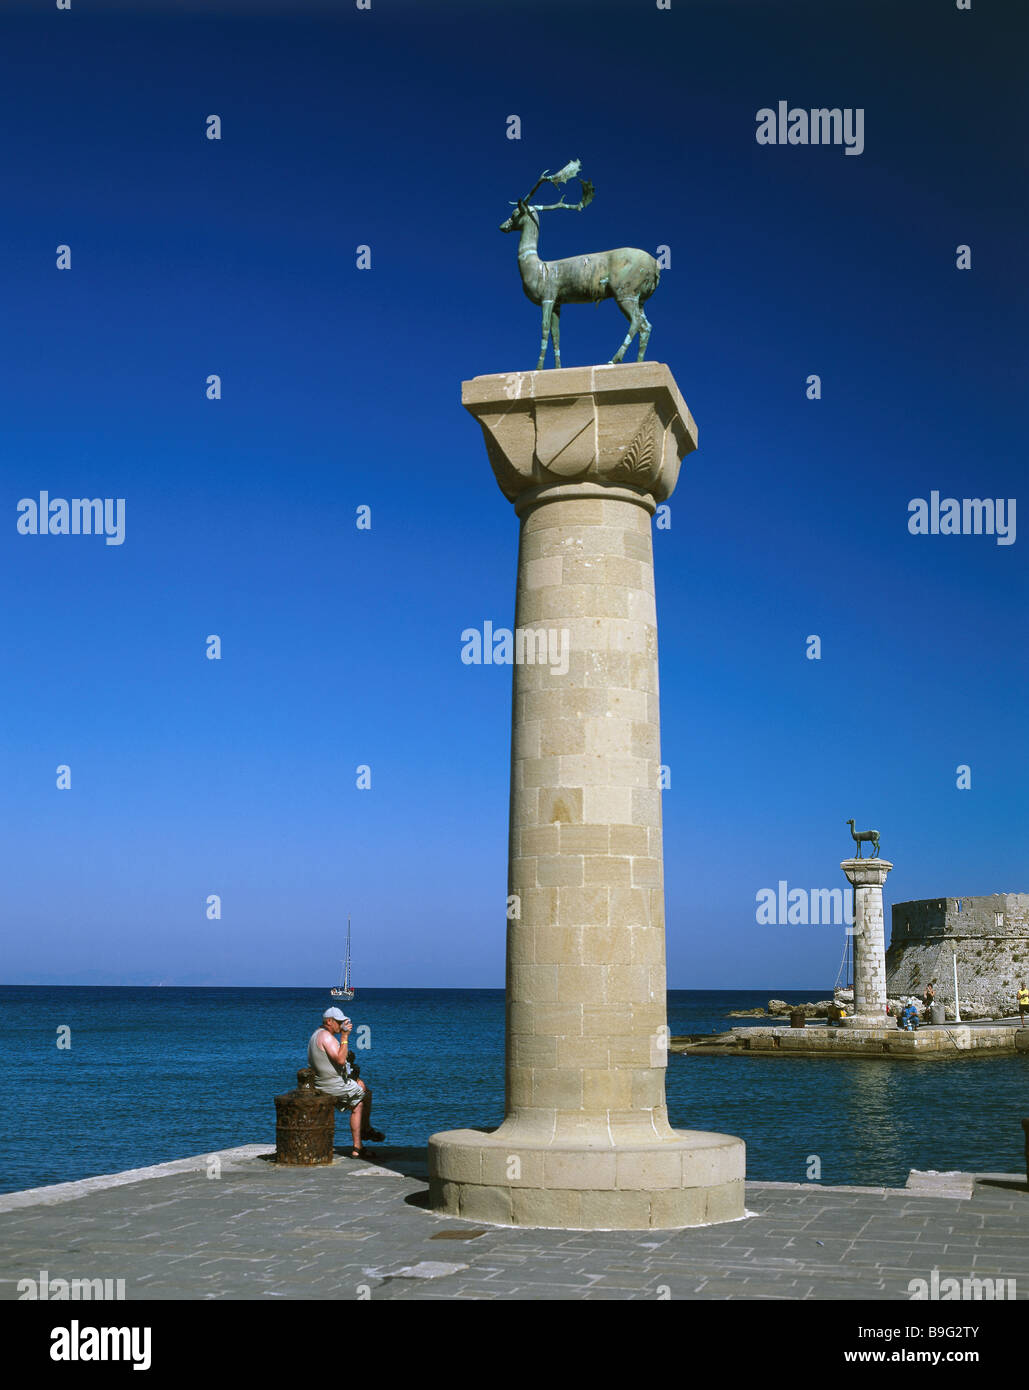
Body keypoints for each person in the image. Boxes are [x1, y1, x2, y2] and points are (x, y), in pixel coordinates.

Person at [307, 1007, 385, 1157]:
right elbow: (341, 1060)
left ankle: (366, 1129)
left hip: (323, 1081)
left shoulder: (317, 1034)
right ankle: (358, 1147)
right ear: (329, 1021)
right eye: (339, 1022)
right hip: (331, 1085)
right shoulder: (327, 1037)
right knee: (359, 1102)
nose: (342, 1024)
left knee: (364, 1090)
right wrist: (344, 1036)